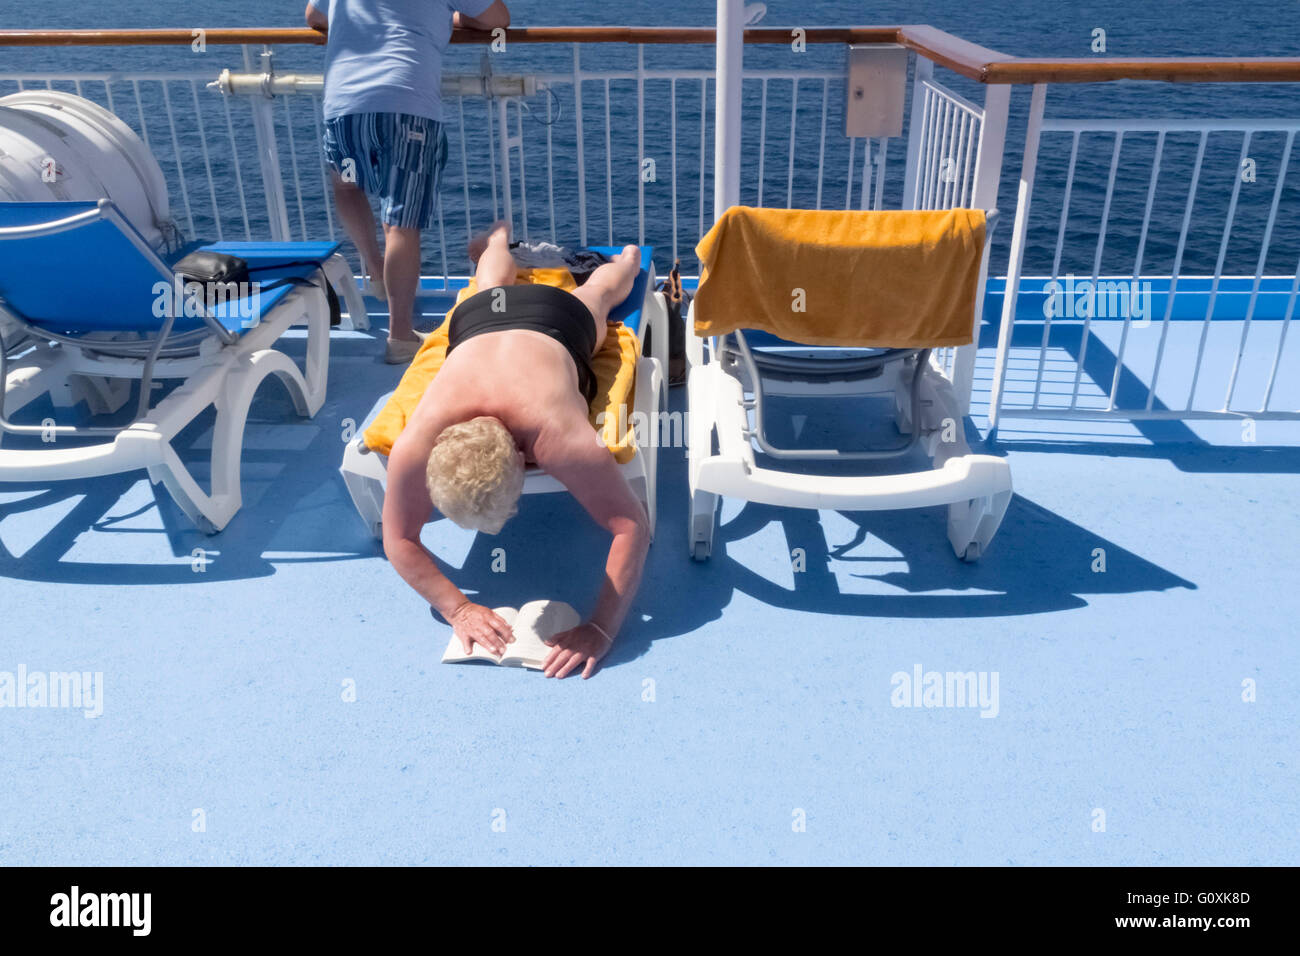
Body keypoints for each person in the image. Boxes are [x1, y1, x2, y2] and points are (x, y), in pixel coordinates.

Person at [383, 223, 650, 680]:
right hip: (500, 323)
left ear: (527, 458)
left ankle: (501, 242)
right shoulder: (421, 443)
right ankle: (624, 260)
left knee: (589, 299)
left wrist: (602, 630)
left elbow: (634, 528)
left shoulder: (555, 435)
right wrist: (459, 609)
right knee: (596, 293)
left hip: (541, 322)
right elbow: (399, 540)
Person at [305, 0, 512, 363]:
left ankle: (372, 265)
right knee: (401, 223)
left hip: (345, 102)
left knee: (347, 186)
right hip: (406, 101)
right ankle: (400, 336)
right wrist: (446, 18)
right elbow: (497, 18)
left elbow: (314, 16)